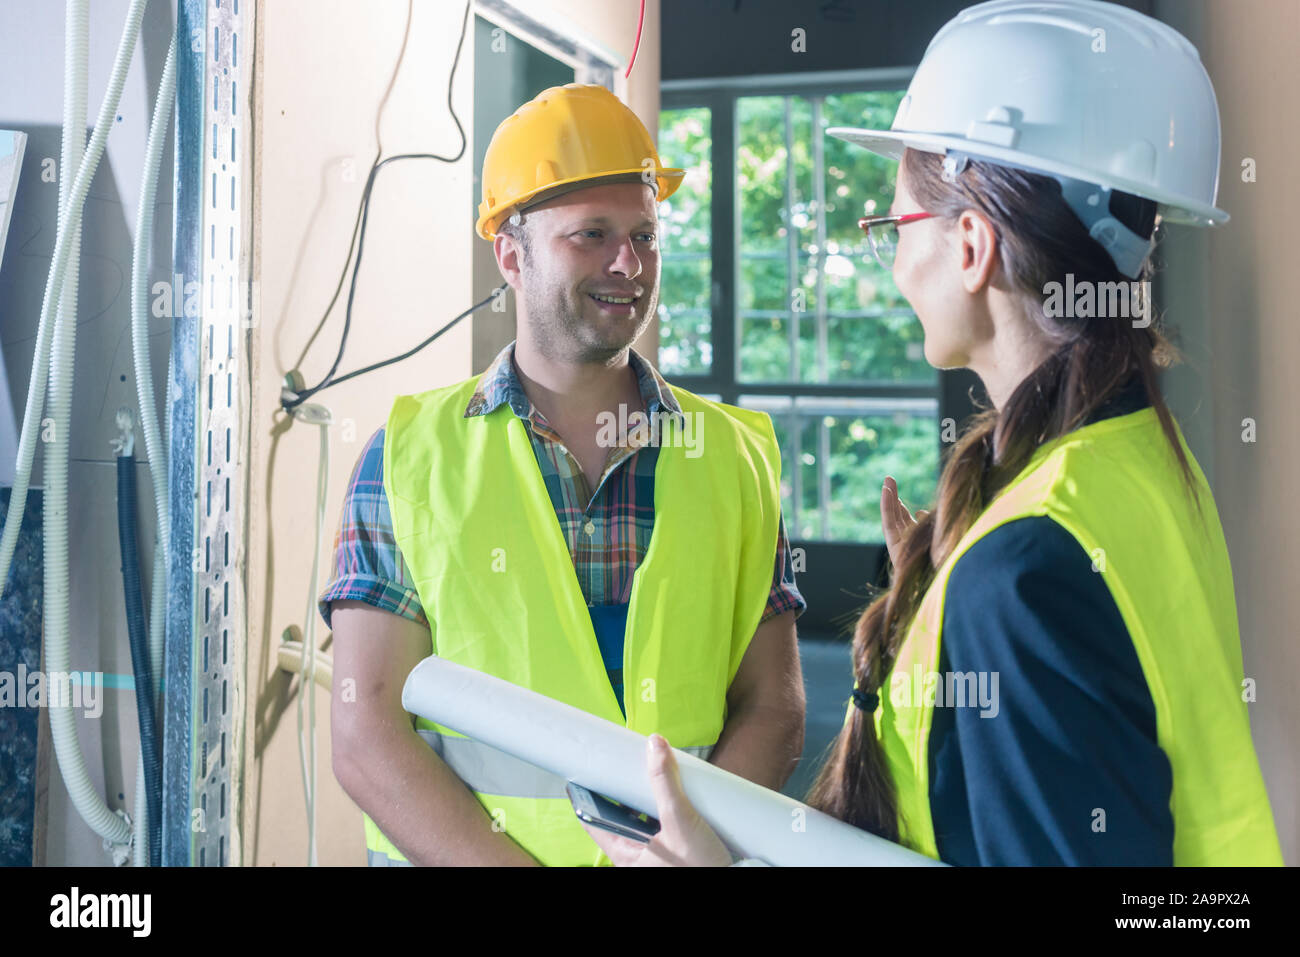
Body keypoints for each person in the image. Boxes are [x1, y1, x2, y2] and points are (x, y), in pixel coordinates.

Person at [582, 0, 1284, 867]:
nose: (895, 265)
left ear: (972, 246)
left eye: (894, 228)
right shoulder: (1141, 462)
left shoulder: (1023, 570)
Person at [322, 83, 807, 866]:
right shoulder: (407, 459)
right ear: (512, 255)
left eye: (645, 235)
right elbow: (366, 730)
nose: (630, 263)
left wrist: (688, 854)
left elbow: (773, 703)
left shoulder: (733, 456)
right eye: (592, 234)